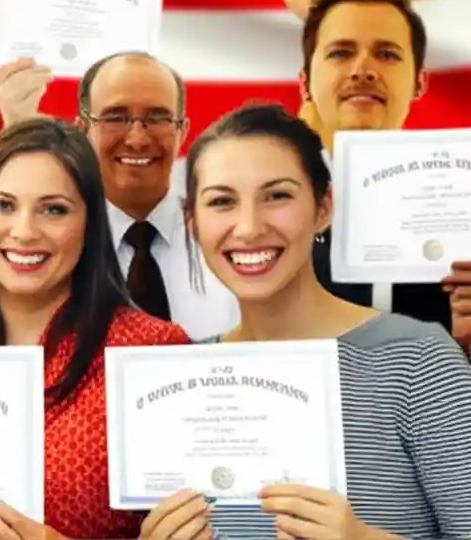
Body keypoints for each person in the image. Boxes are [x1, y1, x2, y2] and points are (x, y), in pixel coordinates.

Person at [140, 103, 471, 540]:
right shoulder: (180, 377)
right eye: (222, 201)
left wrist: (362, 538)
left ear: (323, 207)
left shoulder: (417, 362)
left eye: (277, 195)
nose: (248, 227)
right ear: (193, 223)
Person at [0, 117, 190, 540]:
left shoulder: (153, 353)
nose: (24, 231)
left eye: (54, 209)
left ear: (90, 222)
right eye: (3, 205)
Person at [0, 53, 238, 340]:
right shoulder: (48, 243)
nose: (137, 139)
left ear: (182, 131)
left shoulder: (227, 235)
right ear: (82, 129)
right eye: (115, 118)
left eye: (157, 118)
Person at [291, 0, 467, 342]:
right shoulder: (263, 207)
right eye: (341, 53)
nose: (363, 70)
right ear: (305, 83)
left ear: (420, 82)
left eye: (387, 54)